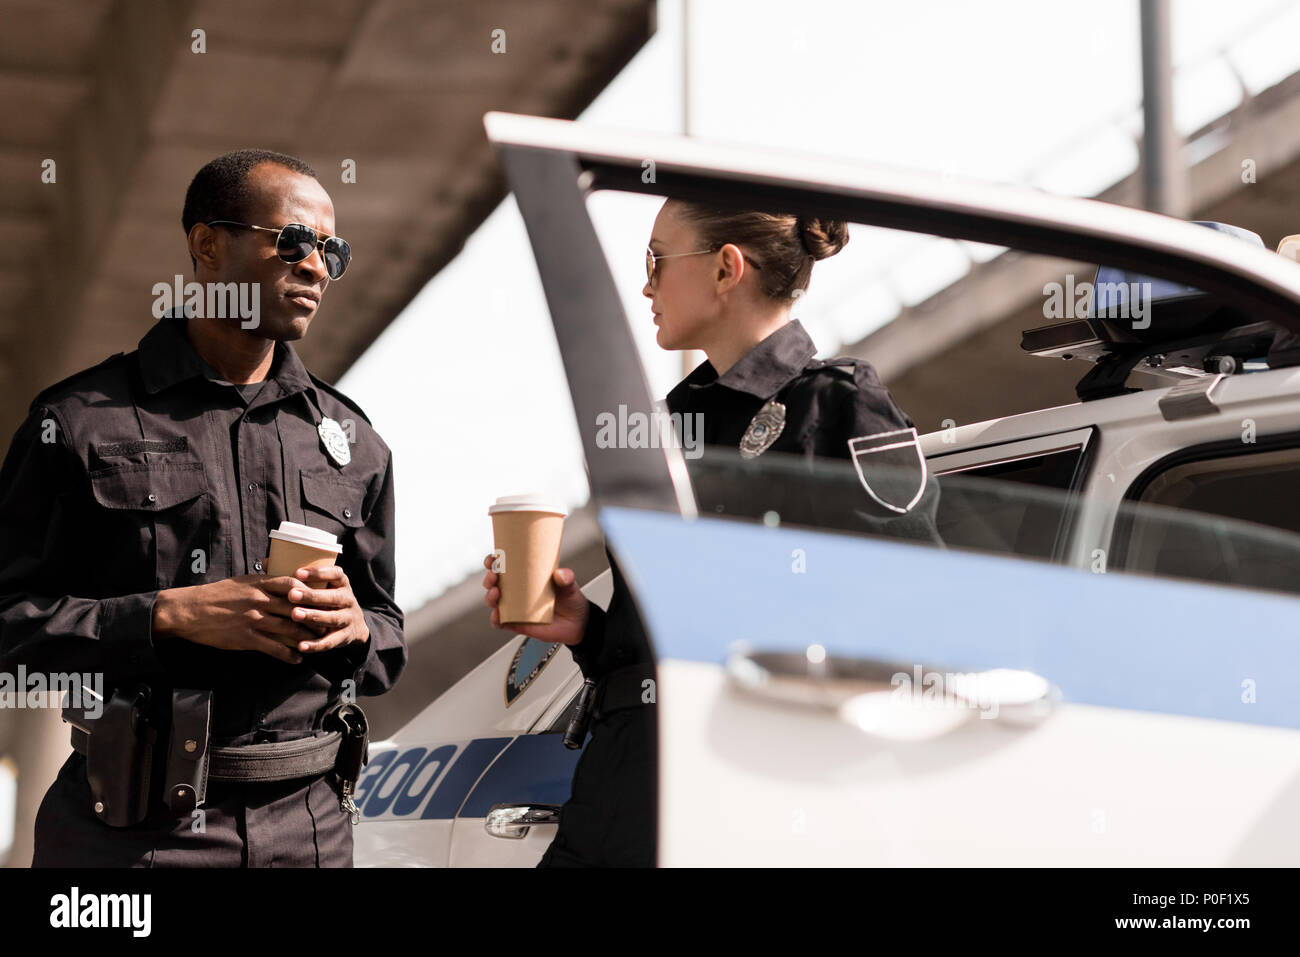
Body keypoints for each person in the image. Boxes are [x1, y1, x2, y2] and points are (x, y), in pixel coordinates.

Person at [482, 199, 926, 866]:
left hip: (747, 798)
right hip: (622, 785)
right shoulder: (659, 427)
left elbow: (919, 618)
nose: (646, 284)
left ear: (726, 269)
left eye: (656, 260)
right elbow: (648, 649)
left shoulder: (839, 405)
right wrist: (585, 627)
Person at [0, 148, 406, 866]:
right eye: (293, 242)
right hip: (129, 834)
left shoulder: (355, 443)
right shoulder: (78, 420)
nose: (316, 266)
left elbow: (386, 639)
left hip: (310, 831)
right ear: (208, 245)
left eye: (331, 250)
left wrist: (355, 629)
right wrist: (165, 616)